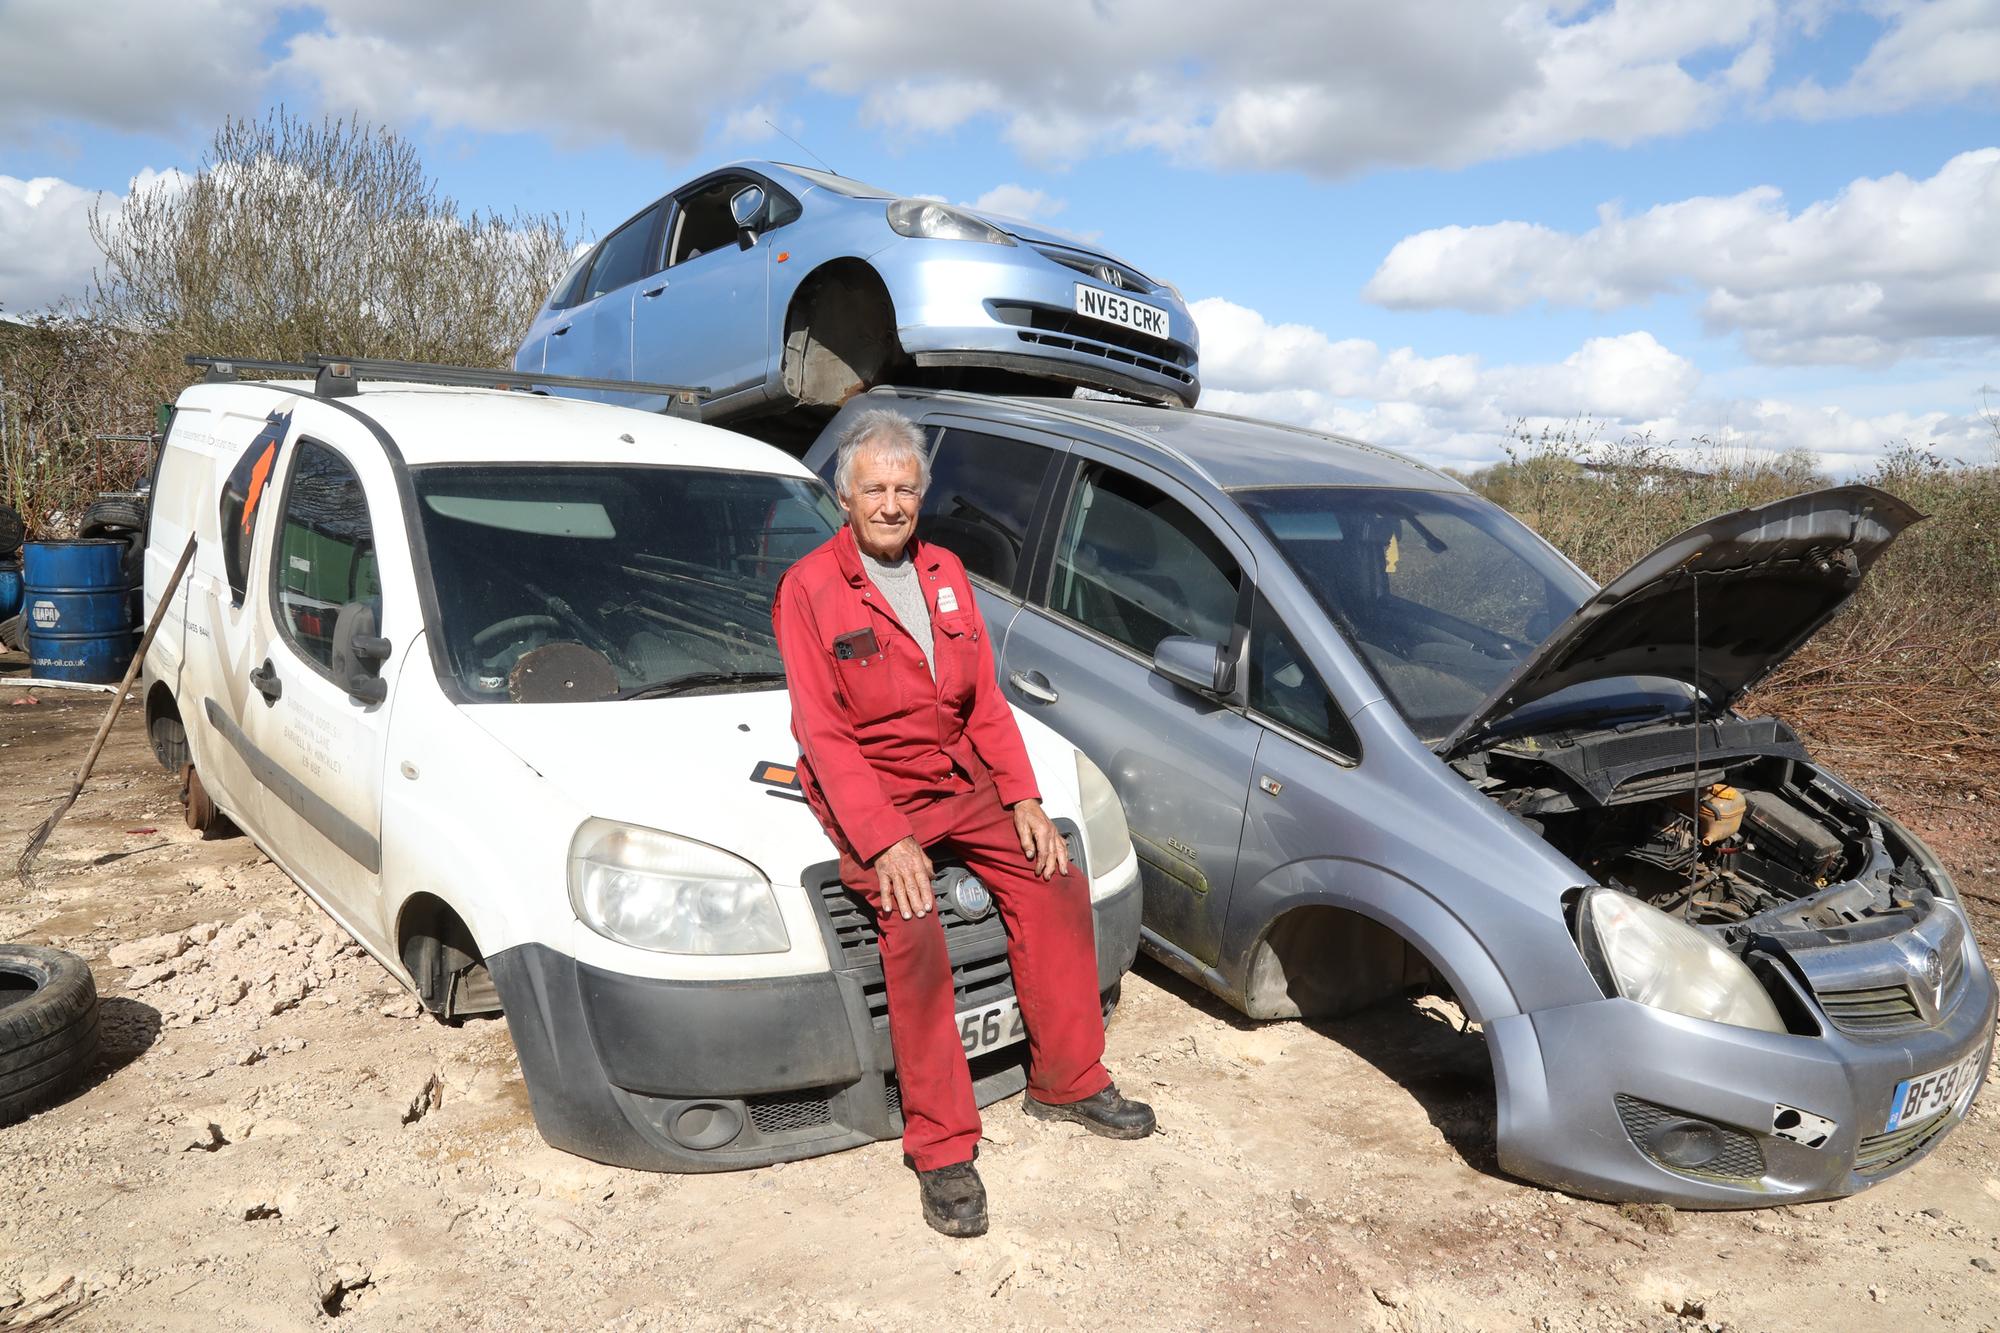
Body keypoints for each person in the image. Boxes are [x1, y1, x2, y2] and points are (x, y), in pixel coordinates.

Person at [772, 408, 1155, 1237]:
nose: (891, 502)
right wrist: (883, 838)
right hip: (874, 793)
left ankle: (1069, 1078)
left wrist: (1021, 796)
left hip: (957, 779)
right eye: (874, 487)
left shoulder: (946, 571)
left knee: (1053, 874)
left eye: (905, 487)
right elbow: (824, 735)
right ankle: (942, 1146)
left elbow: (983, 698)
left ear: (923, 493)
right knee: (912, 924)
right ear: (845, 495)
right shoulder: (809, 589)